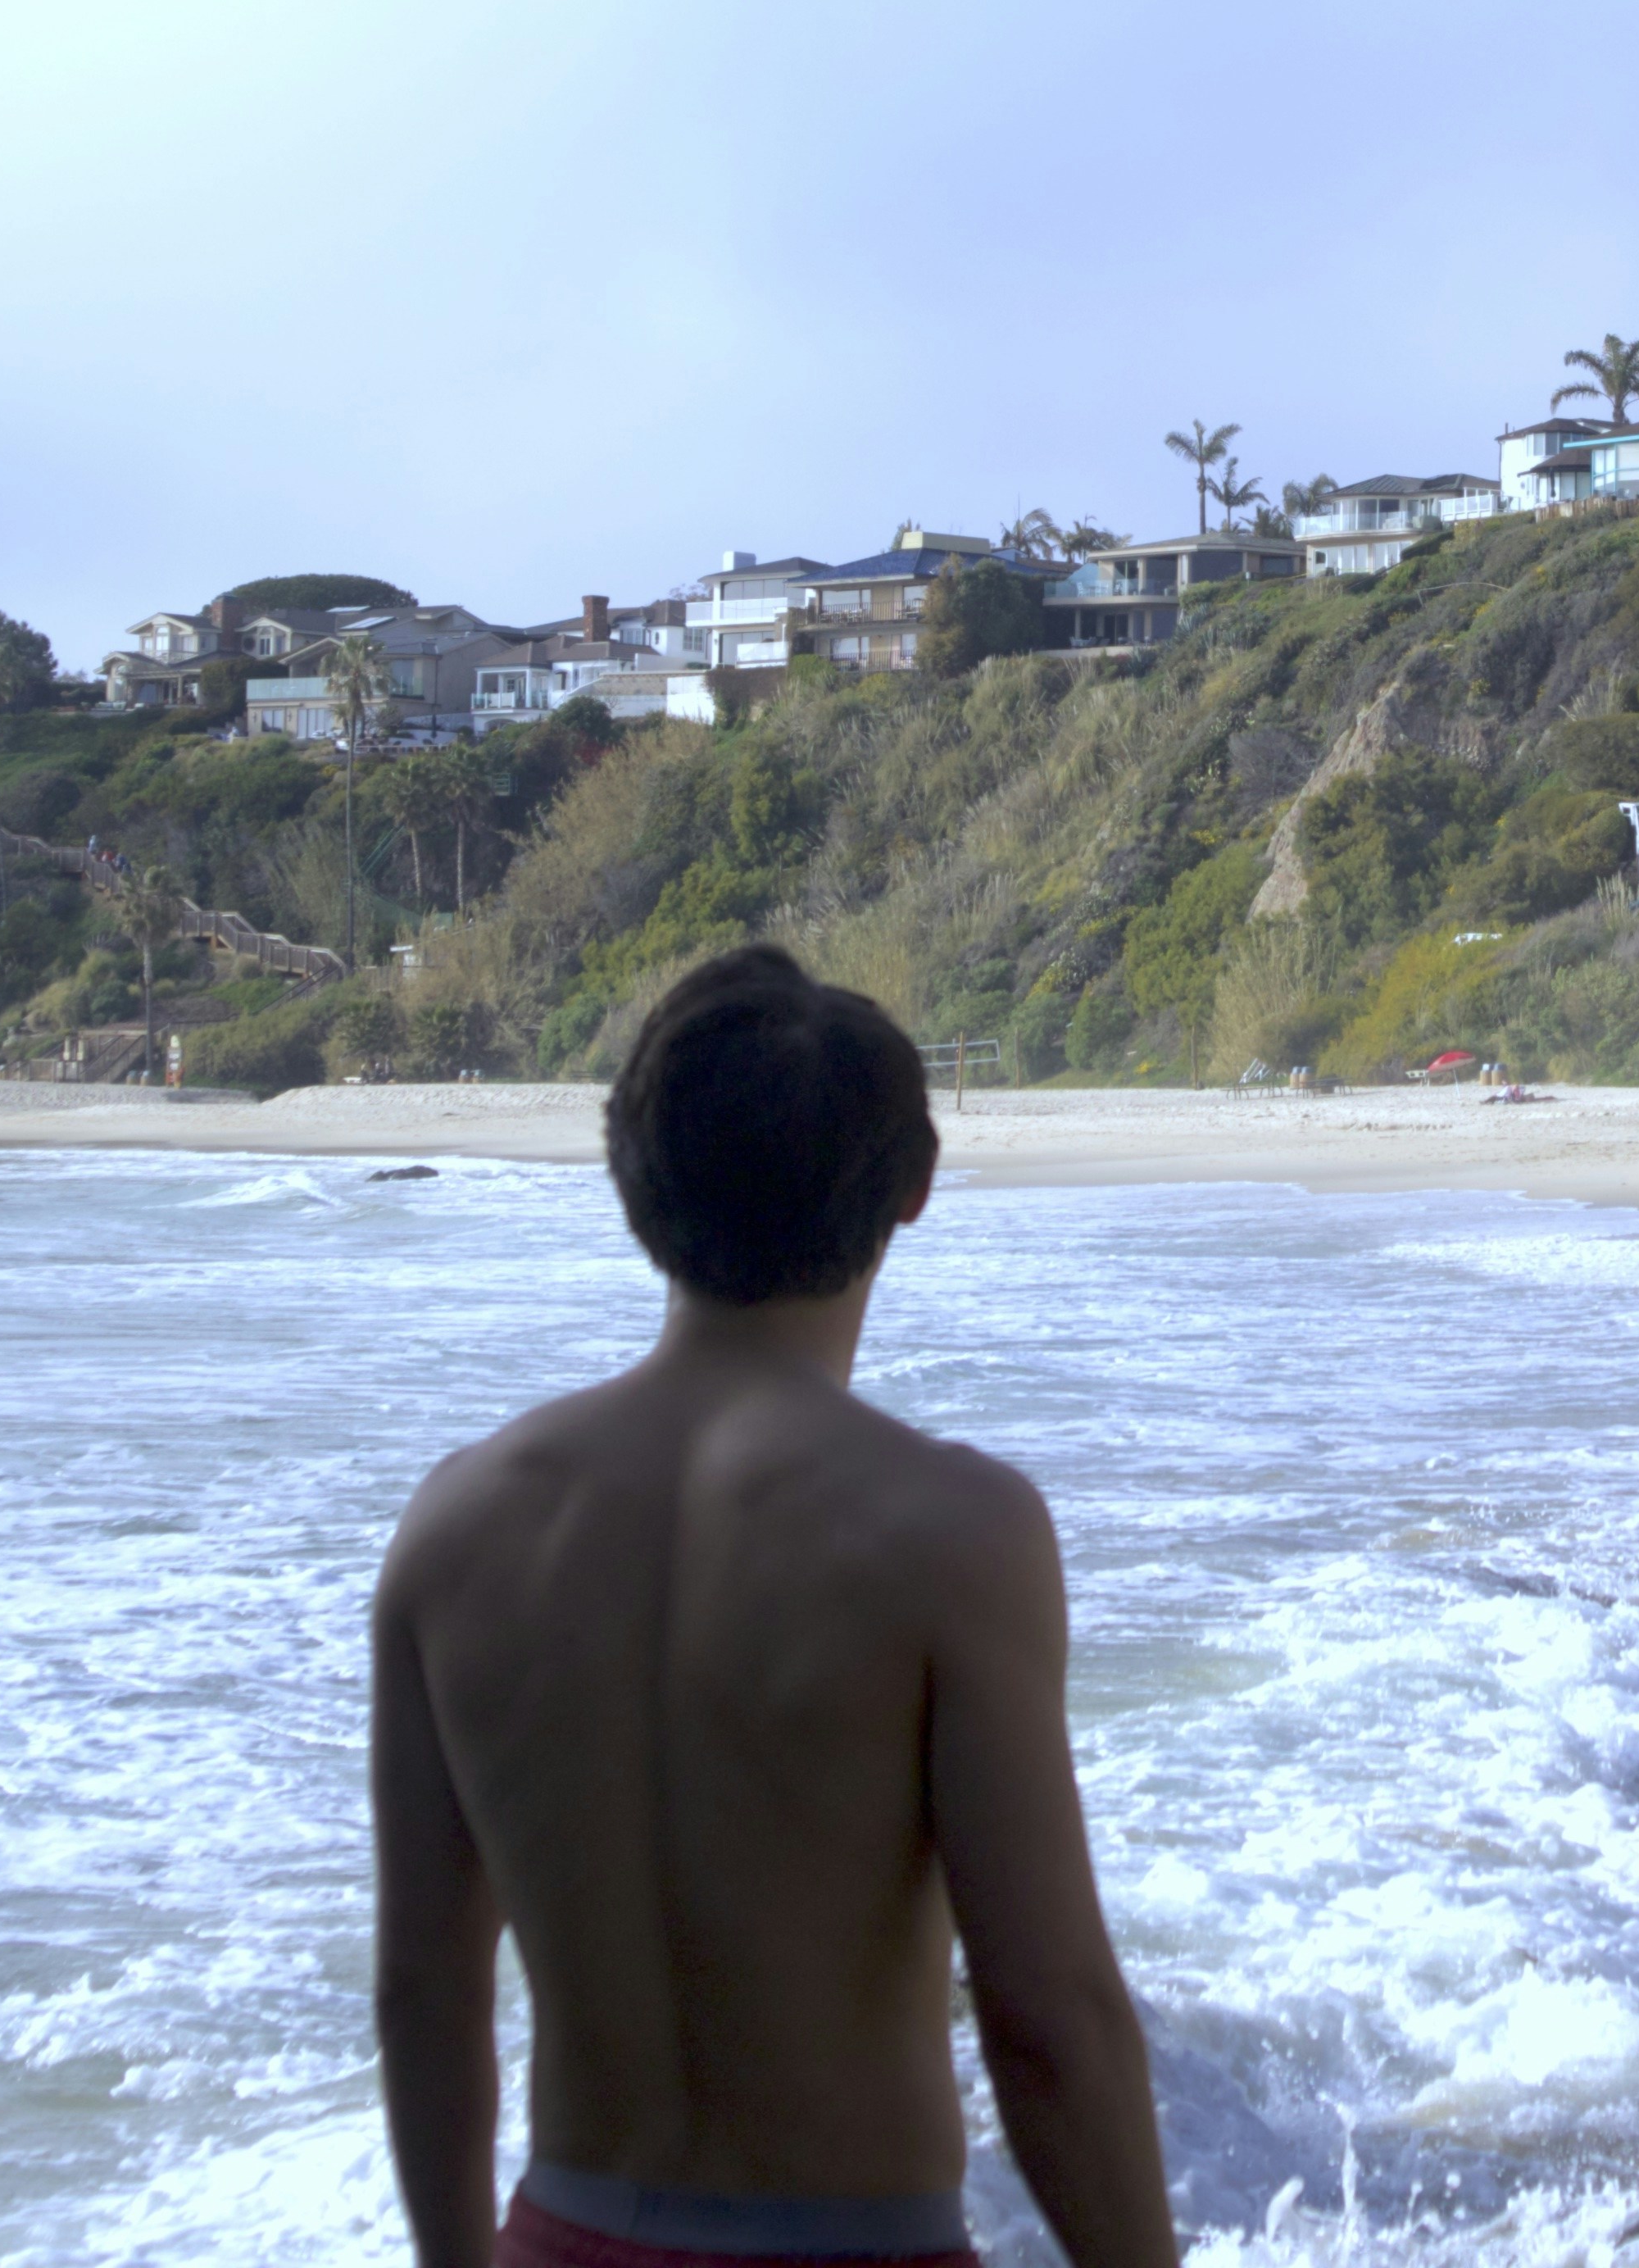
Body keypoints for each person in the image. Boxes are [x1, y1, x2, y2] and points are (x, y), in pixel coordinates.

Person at [370, 945, 1172, 2268]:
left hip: (566, 2236)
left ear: (631, 1176)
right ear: (912, 1189)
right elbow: (1049, 2019)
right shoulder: (950, 1533)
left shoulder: (457, 1527)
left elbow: (423, 1995)